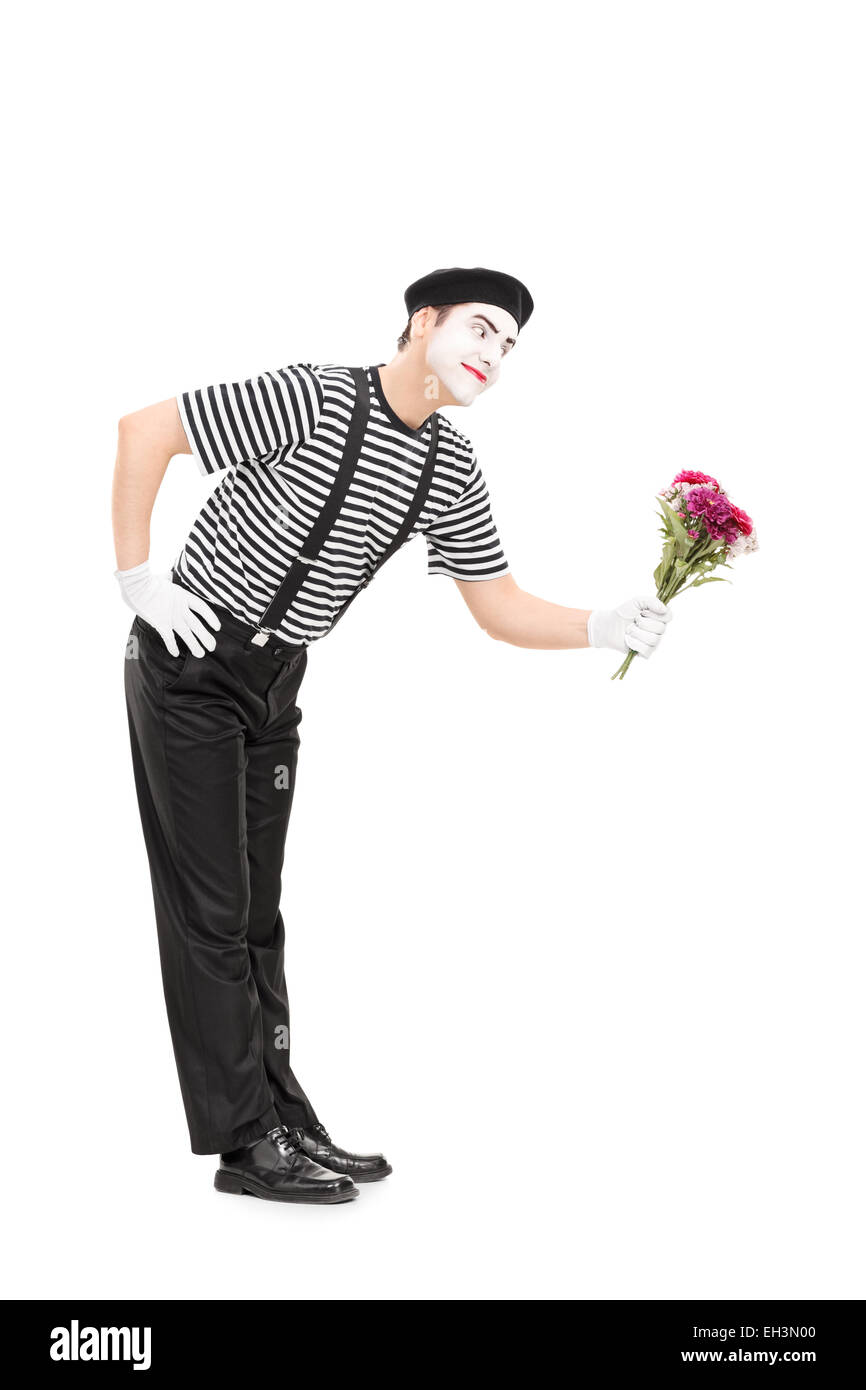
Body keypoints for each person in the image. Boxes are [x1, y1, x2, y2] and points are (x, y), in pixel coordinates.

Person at [112, 266, 673, 1205]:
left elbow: (495, 605)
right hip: (190, 662)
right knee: (209, 916)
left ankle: (284, 1116)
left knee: (256, 915)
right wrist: (139, 578)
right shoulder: (315, 395)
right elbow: (146, 431)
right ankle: (244, 1145)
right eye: (483, 330)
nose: (494, 355)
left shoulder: (449, 464)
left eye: (509, 346)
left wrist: (600, 626)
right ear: (425, 322)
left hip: (277, 678)